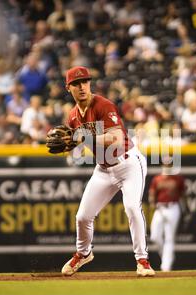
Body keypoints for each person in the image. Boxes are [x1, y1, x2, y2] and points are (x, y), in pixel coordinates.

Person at [52, 66, 155, 277]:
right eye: (76, 83)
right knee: (82, 216)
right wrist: (70, 144)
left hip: (128, 164)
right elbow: (76, 142)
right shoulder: (73, 117)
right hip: (104, 169)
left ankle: (142, 260)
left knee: (132, 208)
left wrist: (81, 138)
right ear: (68, 87)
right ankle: (83, 253)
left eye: (85, 82)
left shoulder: (102, 105)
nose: (82, 87)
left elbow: (115, 138)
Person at [149, 159, 186, 272]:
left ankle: (166, 266)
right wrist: (152, 204)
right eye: (165, 164)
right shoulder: (157, 178)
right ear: (162, 165)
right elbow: (152, 194)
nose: (167, 166)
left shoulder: (178, 178)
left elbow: (183, 195)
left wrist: (186, 209)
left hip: (173, 208)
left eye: (169, 164)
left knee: (169, 238)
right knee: (154, 237)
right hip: (160, 208)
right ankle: (167, 256)